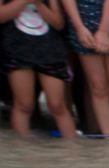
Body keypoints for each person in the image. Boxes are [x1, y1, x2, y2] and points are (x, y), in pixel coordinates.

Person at [1, 0, 76, 136]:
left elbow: (58, 24)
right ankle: (22, 149)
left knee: (57, 105)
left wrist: (39, 4)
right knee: (24, 104)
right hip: (16, 48)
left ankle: (72, 149)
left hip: (49, 49)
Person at [61, 0, 109, 135]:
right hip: (82, 21)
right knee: (97, 86)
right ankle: (108, 139)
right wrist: (79, 27)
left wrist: (104, 31)